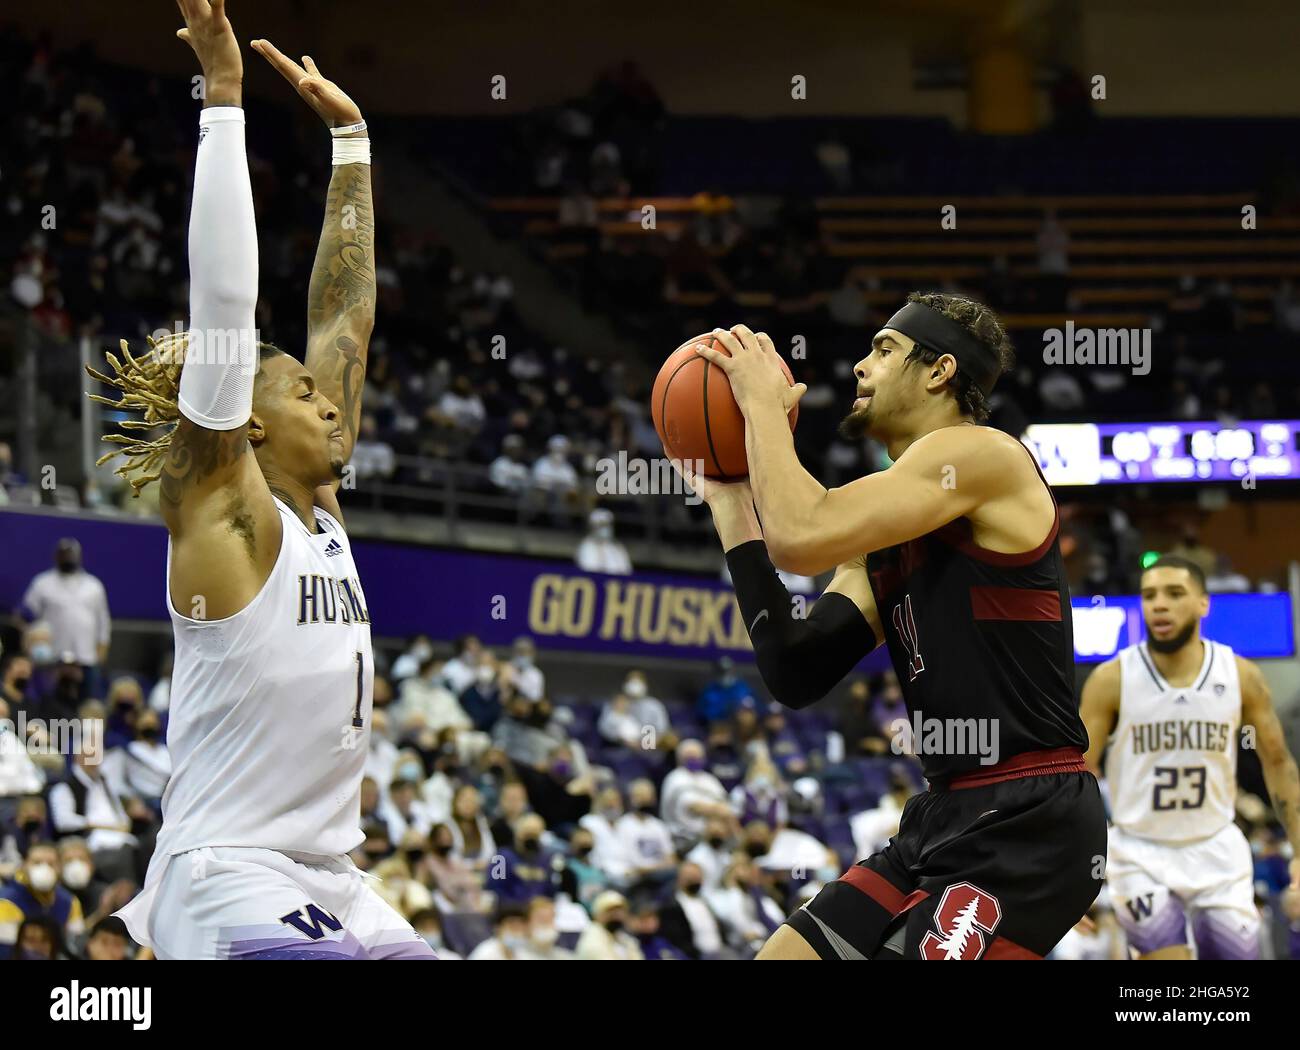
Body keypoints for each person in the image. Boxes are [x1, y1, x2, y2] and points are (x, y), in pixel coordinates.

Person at [97, 8, 429, 960]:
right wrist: (225, 100)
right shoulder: (221, 509)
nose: (331, 406)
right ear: (244, 418)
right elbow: (225, 309)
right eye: (300, 393)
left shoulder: (320, 503)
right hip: (226, 867)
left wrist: (353, 144)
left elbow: (344, 319)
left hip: (340, 880)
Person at [684, 305, 1106, 959]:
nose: (860, 365)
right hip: (944, 813)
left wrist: (762, 410)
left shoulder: (982, 453)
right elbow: (795, 670)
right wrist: (730, 498)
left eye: (884, 349)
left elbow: (799, 537)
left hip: (1031, 819)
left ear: (940, 371)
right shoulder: (887, 530)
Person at [1080, 555, 1300, 960]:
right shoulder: (1112, 678)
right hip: (1140, 851)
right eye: (1149, 596)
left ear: (1203, 604)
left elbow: (1279, 763)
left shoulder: (1240, 675)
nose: (1159, 604)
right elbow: (1077, 776)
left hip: (1217, 848)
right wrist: (1068, 869)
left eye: (1174, 594)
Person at [20, 538, 111, 694]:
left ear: (79, 556)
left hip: (86, 657)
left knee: (87, 702)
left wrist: (101, 651)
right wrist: (32, 646)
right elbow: (25, 617)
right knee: (49, 701)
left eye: (71, 554)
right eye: (64, 554)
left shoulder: (93, 585)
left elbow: (103, 622)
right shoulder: (42, 583)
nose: (67, 558)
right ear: (56, 556)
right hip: (52, 657)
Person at [0, 842, 84, 958]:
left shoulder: (70, 902)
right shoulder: (6, 901)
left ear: (60, 868)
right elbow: (5, 951)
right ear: (24, 866)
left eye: (51, 864)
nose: (44, 868)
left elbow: (75, 946)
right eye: (36, 863)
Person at [660, 739, 732, 849]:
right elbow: (694, 807)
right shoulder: (675, 777)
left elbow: (726, 806)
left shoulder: (709, 779)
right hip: (683, 838)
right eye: (689, 756)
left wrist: (717, 811)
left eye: (696, 755)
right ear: (680, 758)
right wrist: (716, 810)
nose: (693, 759)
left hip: (712, 836)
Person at [575, 891, 643, 960]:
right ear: (598, 914)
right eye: (611, 911)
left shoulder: (624, 939)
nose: (617, 915)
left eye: (620, 910)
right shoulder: (592, 938)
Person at [576, 507, 632, 574]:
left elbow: (627, 572)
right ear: (593, 527)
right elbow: (589, 571)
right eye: (601, 525)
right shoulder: (586, 546)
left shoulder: (618, 547)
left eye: (608, 524)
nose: (605, 528)